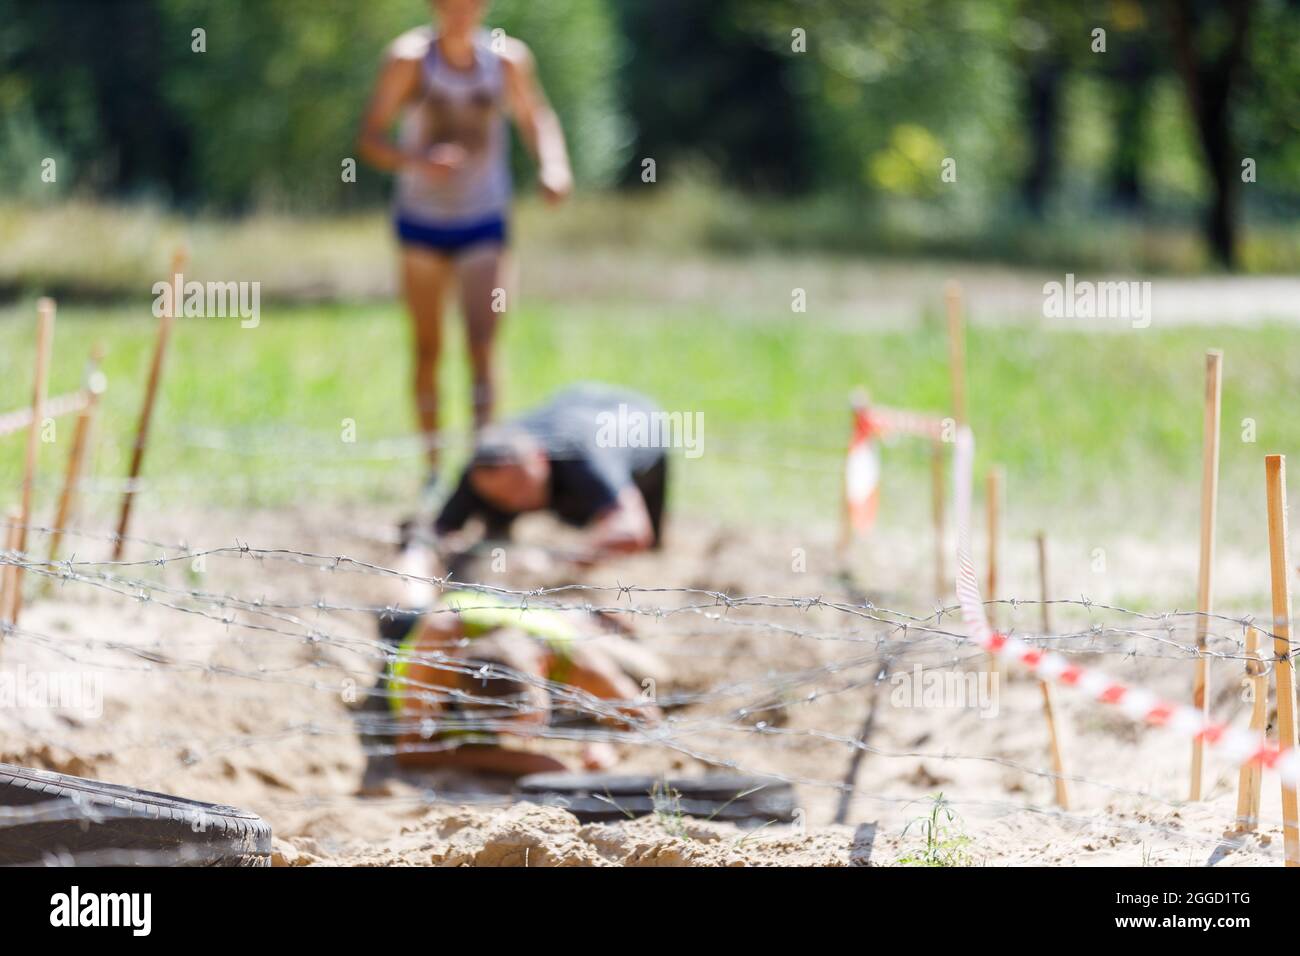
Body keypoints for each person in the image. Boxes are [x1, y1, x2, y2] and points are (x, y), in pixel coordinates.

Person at [357, 0, 573, 490]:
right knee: (428, 348)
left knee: (481, 346)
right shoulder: (408, 59)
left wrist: (553, 166)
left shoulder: (508, 60)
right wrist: (418, 159)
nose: (460, 10)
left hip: (483, 219)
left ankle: (482, 475)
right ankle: (432, 472)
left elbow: (535, 117)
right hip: (421, 222)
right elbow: (370, 137)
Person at [382, 589, 665, 776]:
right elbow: (411, 750)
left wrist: (611, 746)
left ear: (543, 668)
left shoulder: (576, 662)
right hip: (432, 619)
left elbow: (647, 717)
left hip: (551, 623)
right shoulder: (437, 651)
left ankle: (588, 615)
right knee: (394, 612)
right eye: (510, 729)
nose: (523, 739)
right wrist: (526, 762)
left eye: (530, 721)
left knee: (654, 674)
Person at [433, 384, 669, 563]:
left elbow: (633, 531)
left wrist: (558, 560)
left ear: (541, 459)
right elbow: (438, 532)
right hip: (572, 405)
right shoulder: (482, 468)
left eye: (520, 486)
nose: (514, 501)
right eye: (499, 498)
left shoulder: (583, 459)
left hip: (639, 425)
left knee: (650, 547)